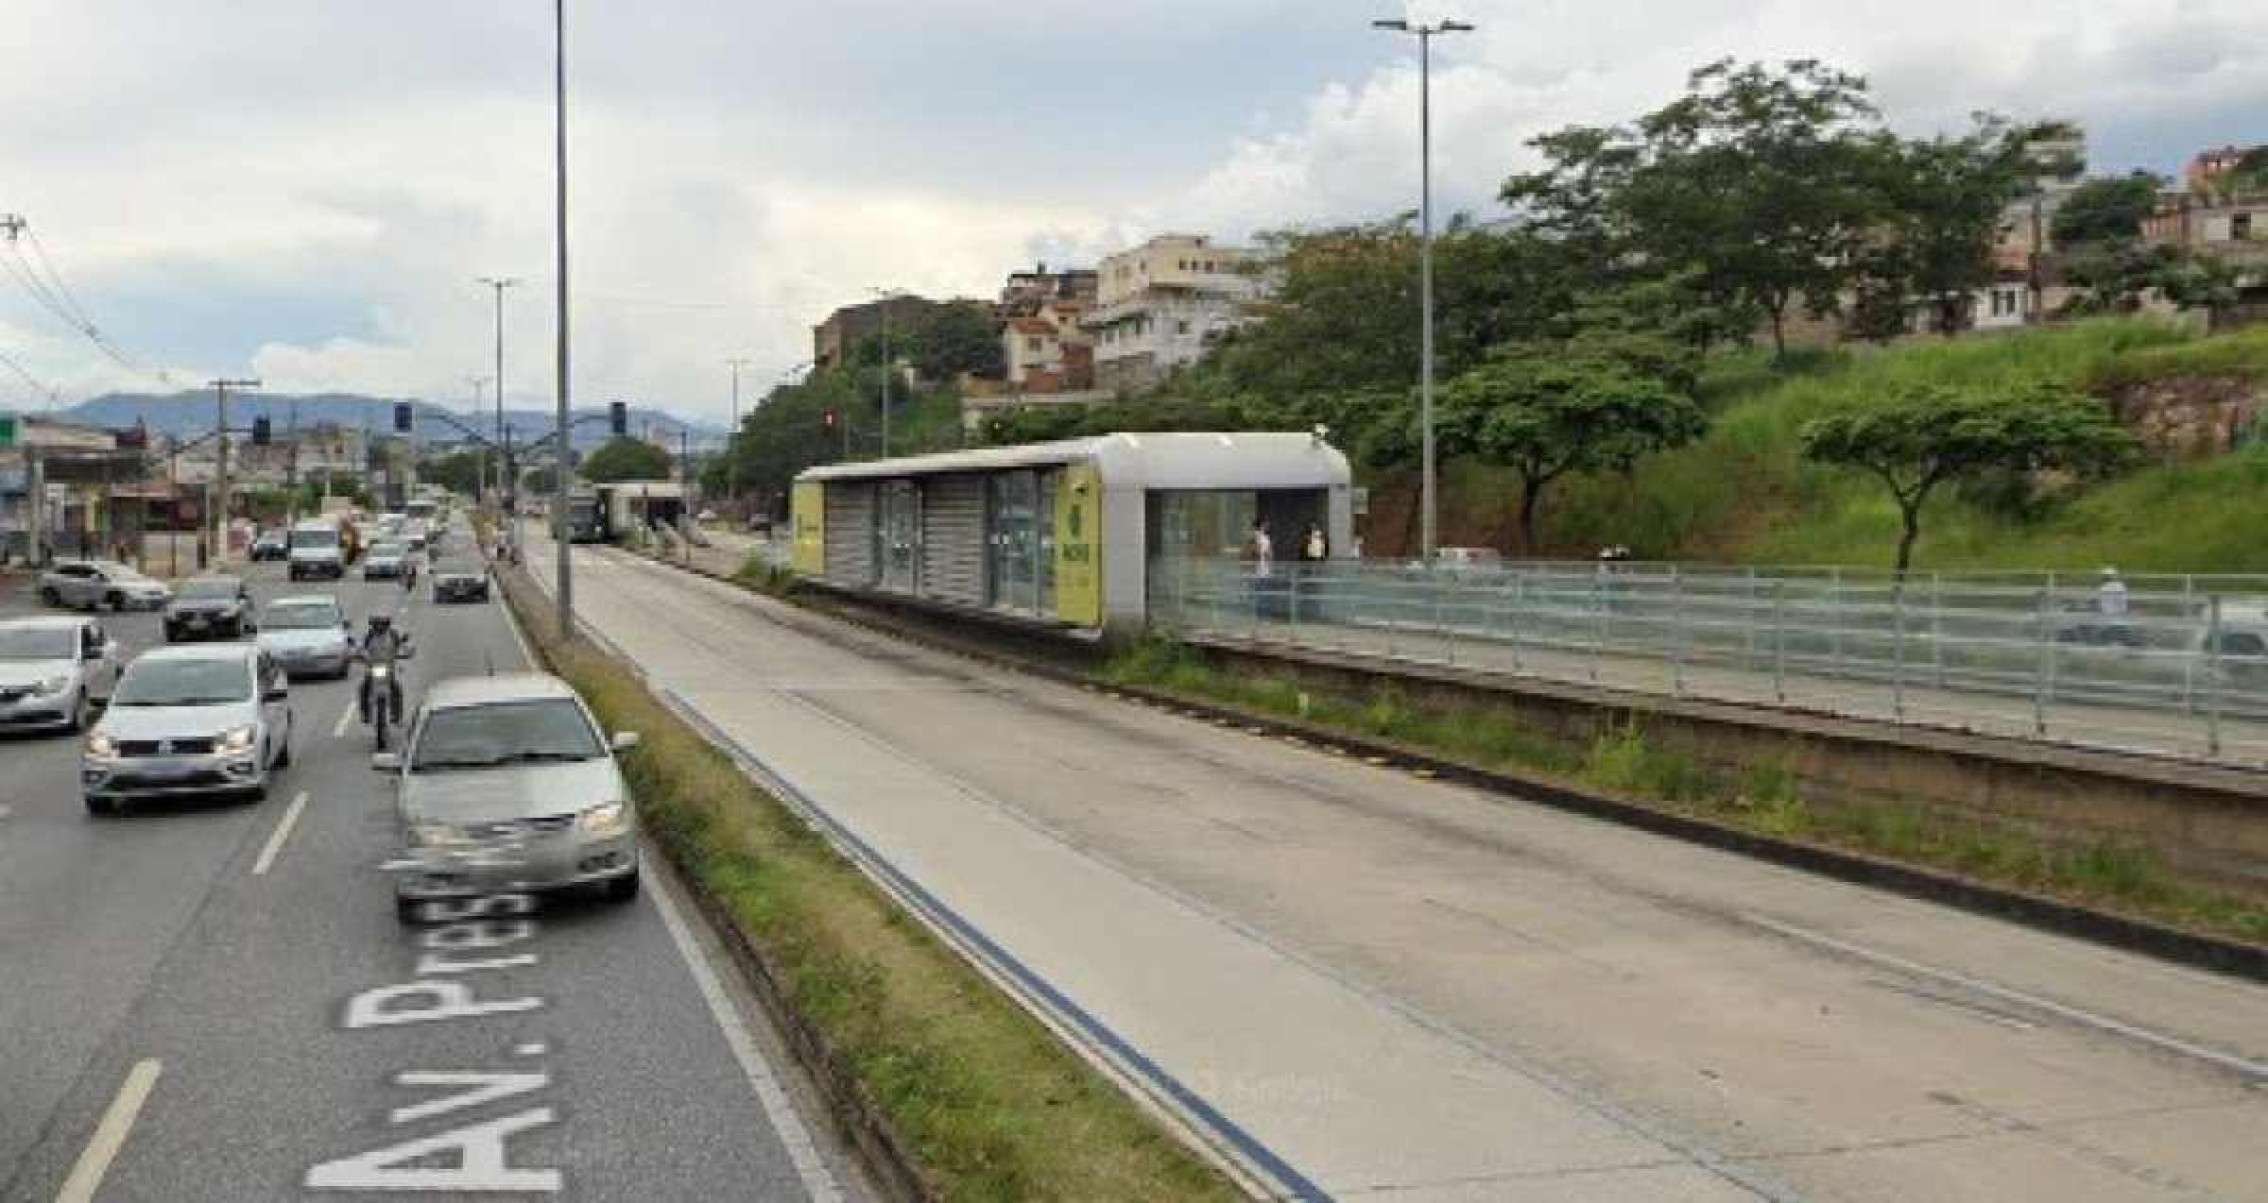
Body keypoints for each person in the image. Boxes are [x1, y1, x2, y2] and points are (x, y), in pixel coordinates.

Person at [355, 613, 411, 724]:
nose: (380, 628)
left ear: (387, 625)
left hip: (388, 667)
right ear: (373, 626)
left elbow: (402, 646)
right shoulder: (369, 636)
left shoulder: (393, 635)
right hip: (373, 667)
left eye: (383, 625)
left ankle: (396, 715)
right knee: (364, 688)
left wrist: (406, 652)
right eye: (377, 625)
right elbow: (360, 648)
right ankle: (365, 714)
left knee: (396, 689)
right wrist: (358, 654)